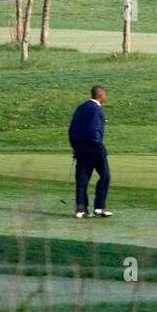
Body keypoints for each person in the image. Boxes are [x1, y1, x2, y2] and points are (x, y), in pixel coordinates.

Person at [68, 85, 112, 218]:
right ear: (101, 95)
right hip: (93, 146)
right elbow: (95, 129)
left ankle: (81, 209)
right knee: (105, 175)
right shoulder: (97, 109)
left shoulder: (80, 107)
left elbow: (72, 128)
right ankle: (99, 207)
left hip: (79, 146)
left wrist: (75, 147)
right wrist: (98, 145)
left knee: (82, 177)